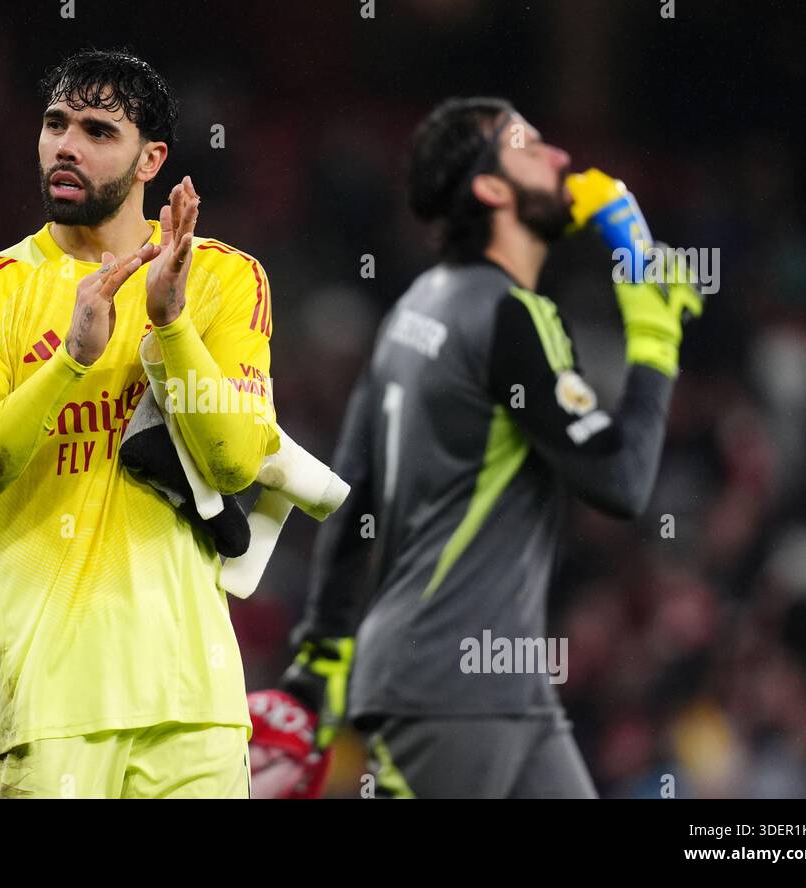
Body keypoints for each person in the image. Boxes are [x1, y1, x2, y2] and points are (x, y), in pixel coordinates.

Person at [251, 97, 702, 798]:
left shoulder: (416, 307)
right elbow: (621, 481)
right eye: (530, 147)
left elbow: (351, 491)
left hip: (500, 688)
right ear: (491, 188)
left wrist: (318, 662)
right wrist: (654, 339)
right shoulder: (511, 316)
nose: (558, 158)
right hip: (449, 688)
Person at [0, 49, 278, 798]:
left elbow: (238, 461)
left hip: (194, 711)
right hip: (47, 705)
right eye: (54, 124)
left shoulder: (223, 278)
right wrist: (71, 364)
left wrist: (171, 324)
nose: (65, 146)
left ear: (150, 159)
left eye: (95, 130)